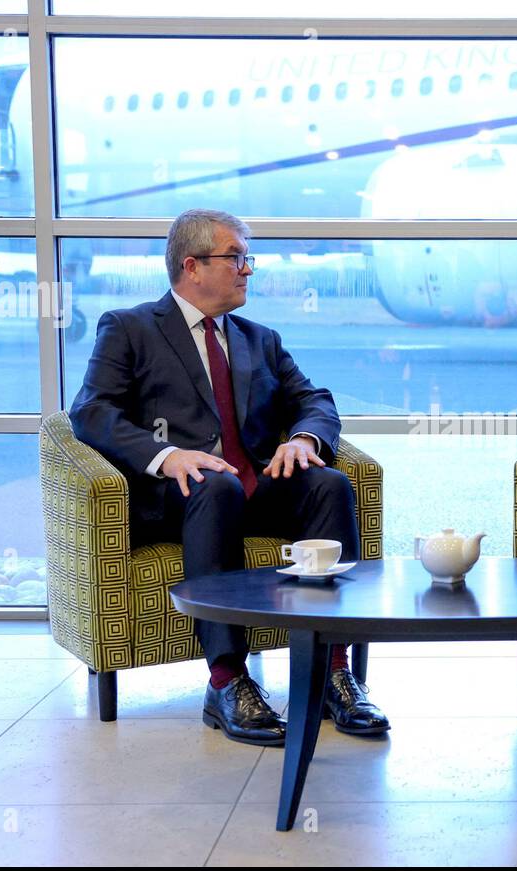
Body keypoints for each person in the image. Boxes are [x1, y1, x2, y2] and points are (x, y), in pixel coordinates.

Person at [70, 209, 390, 746]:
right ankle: (227, 681)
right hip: (181, 495)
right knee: (211, 483)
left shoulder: (258, 338)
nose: (248, 270)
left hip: (254, 485)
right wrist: (166, 455)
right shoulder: (129, 328)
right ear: (192, 266)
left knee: (329, 484)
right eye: (236, 258)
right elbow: (91, 412)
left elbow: (314, 400)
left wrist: (303, 439)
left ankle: (334, 671)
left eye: (247, 259)